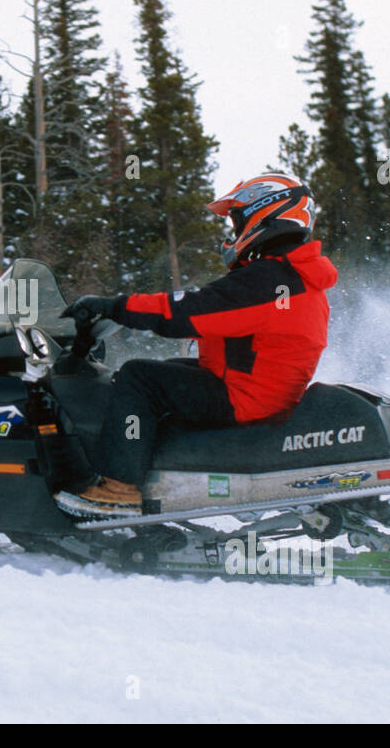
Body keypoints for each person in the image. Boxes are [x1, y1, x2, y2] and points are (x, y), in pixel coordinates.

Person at [58, 172, 338, 519]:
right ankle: (159, 469)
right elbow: (233, 324)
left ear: (265, 213)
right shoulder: (297, 277)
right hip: (263, 388)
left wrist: (115, 306)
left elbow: (189, 309)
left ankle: (120, 490)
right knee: (167, 372)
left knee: (136, 378)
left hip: (245, 398)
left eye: (237, 220)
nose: (234, 232)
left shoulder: (271, 279)